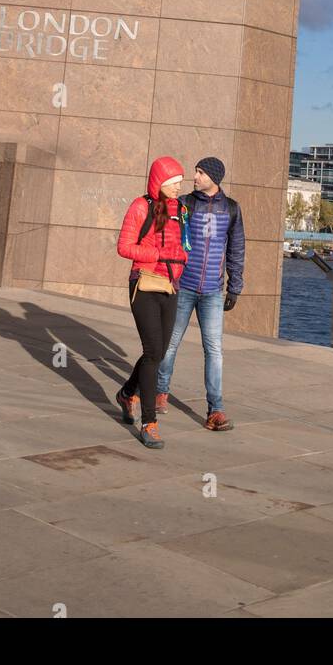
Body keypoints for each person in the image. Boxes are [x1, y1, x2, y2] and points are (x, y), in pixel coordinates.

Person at [156, 157, 245, 431]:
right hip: (182, 287)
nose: (194, 177)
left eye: (201, 172)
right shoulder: (185, 203)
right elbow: (167, 237)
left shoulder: (231, 209)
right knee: (170, 343)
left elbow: (236, 249)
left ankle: (215, 410)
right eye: (196, 171)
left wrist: (235, 287)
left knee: (214, 350)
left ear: (214, 178)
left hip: (212, 293)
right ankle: (160, 392)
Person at [114, 156, 190, 448]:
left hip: (171, 285)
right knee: (153, 350)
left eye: (180, 182)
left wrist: (183, 257)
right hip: (144, 282)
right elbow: (124, 247)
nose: (178, 187)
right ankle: (149, 423)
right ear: (159, 182)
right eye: (173, 182)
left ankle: (126, 394)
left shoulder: (180, 210)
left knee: (158, 353)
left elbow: (183, 243)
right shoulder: (140, 206)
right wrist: (158, 255)